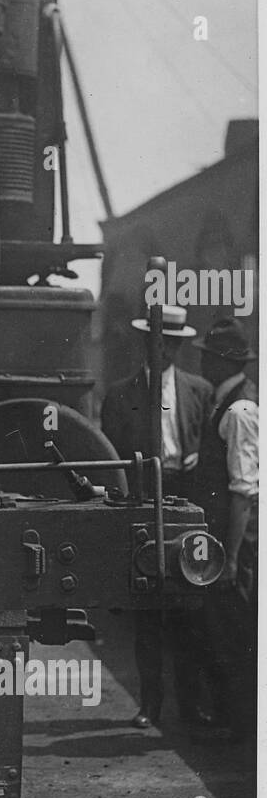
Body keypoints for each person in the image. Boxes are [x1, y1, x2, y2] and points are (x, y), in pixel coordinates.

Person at [101, 303, 213, 730]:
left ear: (178, 347)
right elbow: (110, 461)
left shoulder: (199, 391)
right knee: (147, 610)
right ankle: (150, 703)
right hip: (142, 499)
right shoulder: (120, 395)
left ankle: (191, 707)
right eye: (154, 340)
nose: (161, 349)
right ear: (143, 342)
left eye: (170, 343)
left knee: (188, 609)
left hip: (185, 496)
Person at [191, 317, 258, 742]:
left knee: (236, 637)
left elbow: (242, 491)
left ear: (220, 361)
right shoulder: (225, 402)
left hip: (238, 546)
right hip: (223, 540)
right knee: (221, 633)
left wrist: (232, 558)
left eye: (207, 356)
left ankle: (243, 726)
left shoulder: (239, 409)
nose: (202, 362)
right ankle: (232, 720)